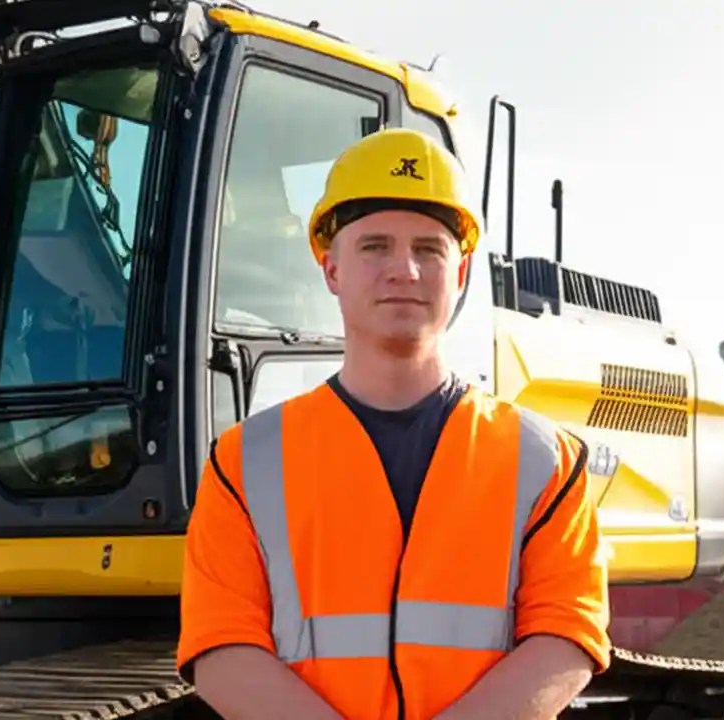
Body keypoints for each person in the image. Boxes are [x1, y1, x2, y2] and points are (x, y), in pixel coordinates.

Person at [176, 127, 610, 720]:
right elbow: (221, 644)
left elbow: (566, 633)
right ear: (331, 271)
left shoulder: (545, 461)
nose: (403, 269)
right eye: (375, 246)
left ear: (459, 276)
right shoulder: (243, 462)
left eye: (429, 249)